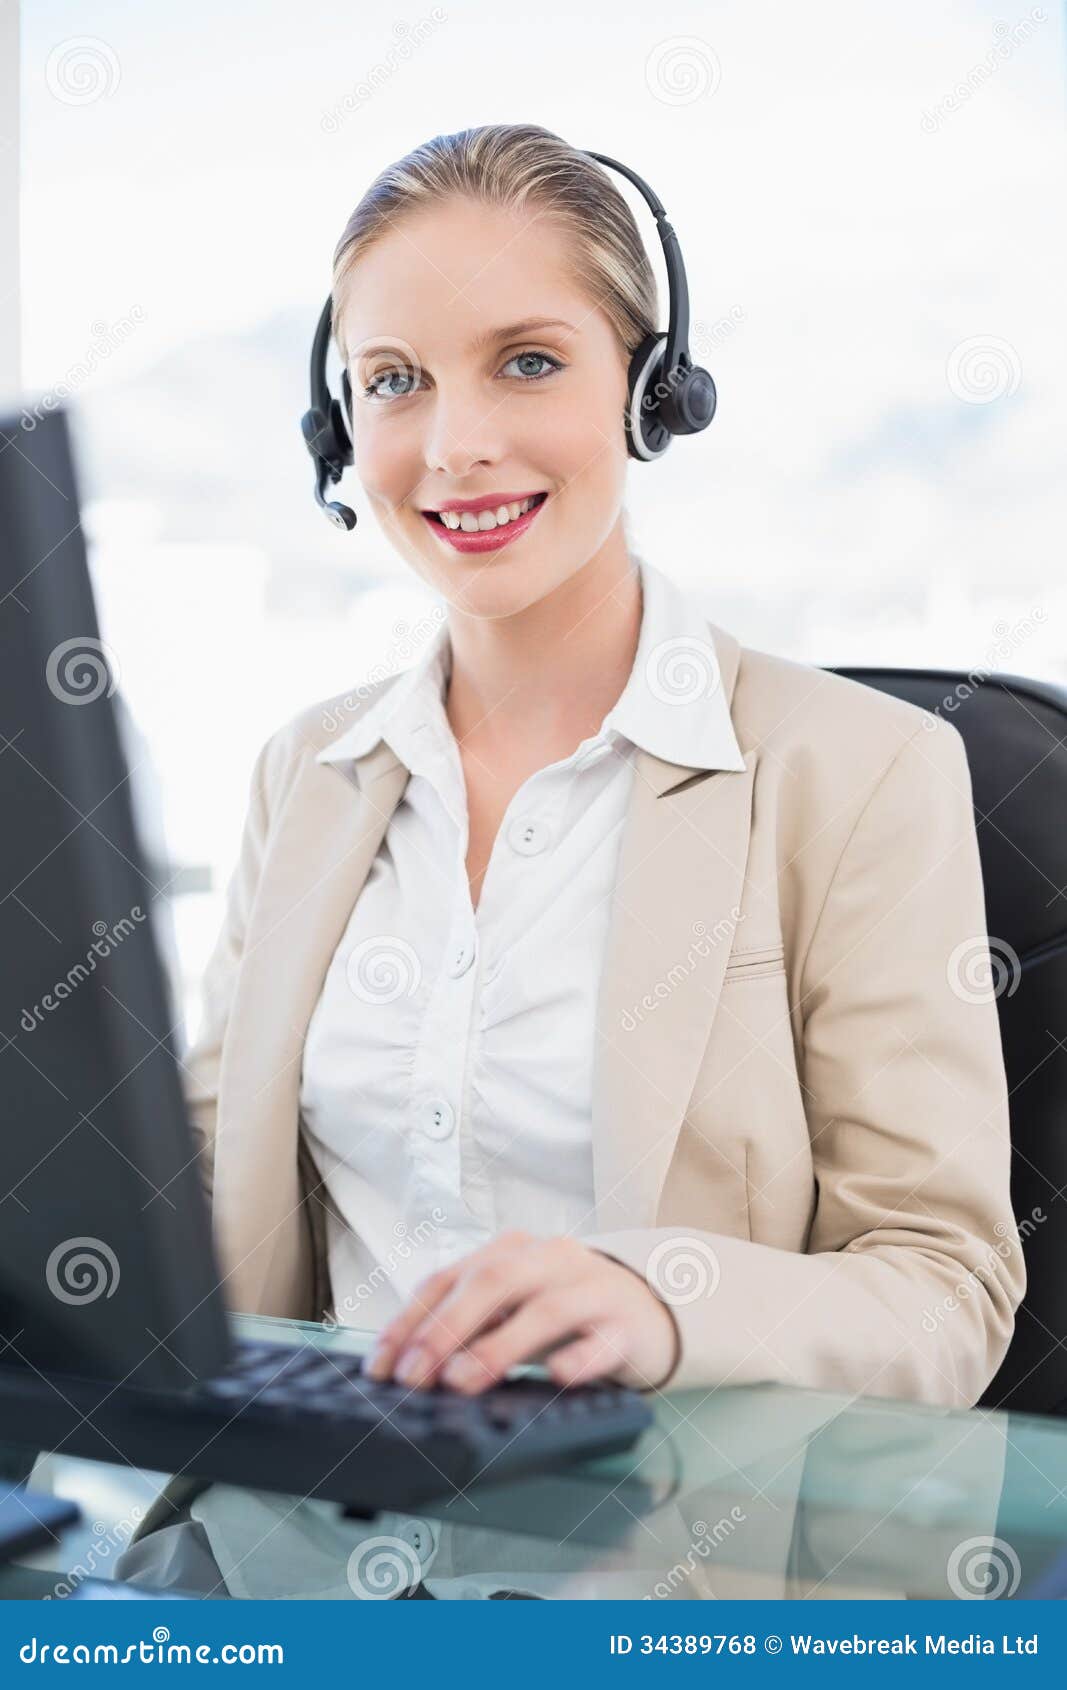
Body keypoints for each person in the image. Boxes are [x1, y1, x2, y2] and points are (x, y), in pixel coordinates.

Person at [196, 121, 1026, 1410]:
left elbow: (945, 1286)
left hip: (667, 1525)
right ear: (338, 424)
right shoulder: (305, 774)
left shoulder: (863, 773)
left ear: (649, 391)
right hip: (302, 1512)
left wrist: (662, 1298)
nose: (454, 444)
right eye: (396, 380)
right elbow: (196, 1194)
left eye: (527, 363)